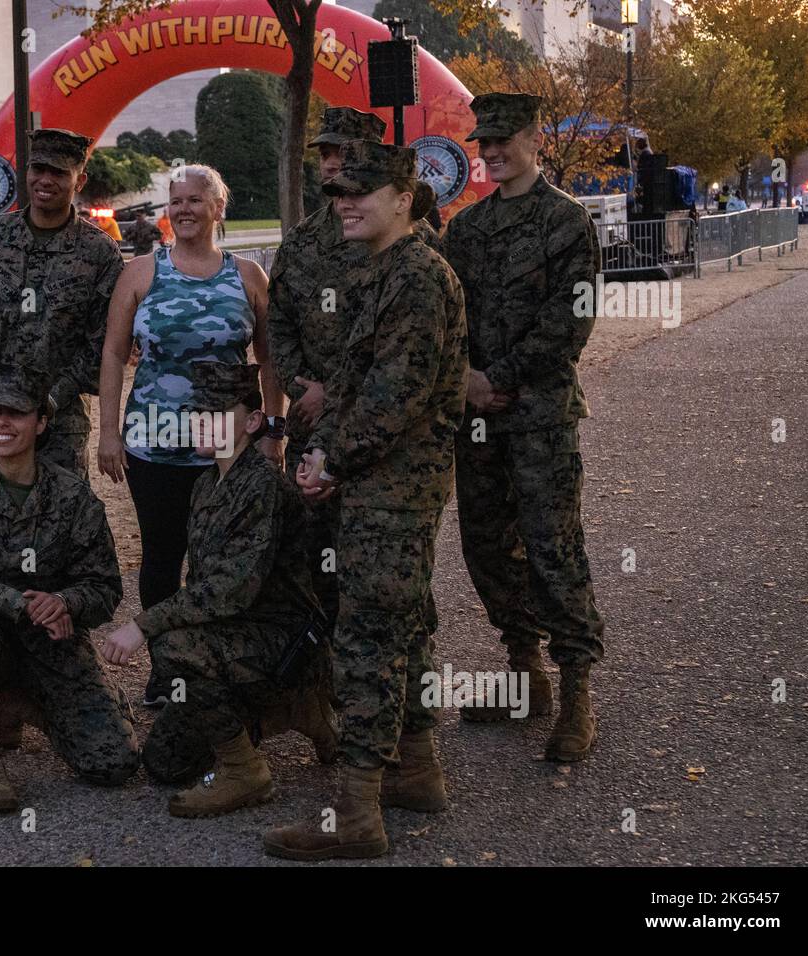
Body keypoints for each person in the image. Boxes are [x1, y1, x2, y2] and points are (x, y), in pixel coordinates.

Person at [263, 141, 468, 861]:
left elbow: (394, 397)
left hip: (393, 492)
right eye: (340, 191)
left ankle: (356, 813)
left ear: (405, 199)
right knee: (404, 632)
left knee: (368, 644)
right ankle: (417, 771)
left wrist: (331, 460)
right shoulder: (391, 270)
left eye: (363, 192)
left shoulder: (415, 276)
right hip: (381, 485)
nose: (345, 203)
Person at [441, 92, 605, 762]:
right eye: (485, 141)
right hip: (476, 417)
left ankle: (577, 694)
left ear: (534, 138)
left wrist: (498, 377)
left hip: (538, 417)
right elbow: (447, 318)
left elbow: (573, 321)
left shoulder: (567, 224)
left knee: (552, 548)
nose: (492, 151)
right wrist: (467, 380)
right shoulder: (466, 230)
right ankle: (524, 671)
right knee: (485, 547)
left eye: (504, 139)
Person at [101, 361, 336, 816]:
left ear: (251, 422)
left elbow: (230, 590)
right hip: (236, 639)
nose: (202, 423)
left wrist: (143, 625)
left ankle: (245, 770)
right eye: (196, 414)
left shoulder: (262, 485)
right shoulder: (207, 484)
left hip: (283, 640)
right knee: (165, 762)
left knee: (173, 646)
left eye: (216, 413)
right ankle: (296, 713)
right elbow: (205, 587)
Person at [97, 164, 284, 708]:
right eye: (175, 201)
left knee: (218, 560)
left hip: (225, 449)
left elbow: (269, 359)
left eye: (195, 200)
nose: (183, 210)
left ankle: (215, 666)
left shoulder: (248, 277)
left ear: (217, 208)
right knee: (161, 556)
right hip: (155, 441)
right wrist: (109, 432)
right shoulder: (141, 272)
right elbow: (112, 352)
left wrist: (274, 428)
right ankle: (167, 669)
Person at [0, 365, 139, 812]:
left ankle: (25, 701)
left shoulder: (72, 497)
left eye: (16, 414)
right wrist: (17, 604)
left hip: (52, 639)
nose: (2, 423)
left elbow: (104, 586)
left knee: (113, 763)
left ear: (41, 422)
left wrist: (64, 602)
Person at [266, 106, 386, 629]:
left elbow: (406, 348)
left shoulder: (401, 239)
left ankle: (403, 697)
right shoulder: (300, 241)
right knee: (315, 557)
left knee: (384, 571)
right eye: (326, 153)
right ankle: (326, 684)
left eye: (344, 152)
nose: (332, 164)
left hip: (377, 430)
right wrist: (301, 387)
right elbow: (278, 326)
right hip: (311, 428)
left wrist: (330, 393)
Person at [0, 128, 124, 478]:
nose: (45, 180)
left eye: (58, 172)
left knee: (60, 524)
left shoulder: (99, 253)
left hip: (59, 423)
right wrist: (4, 398)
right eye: (38, 169)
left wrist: (50, 401)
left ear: (79, 180)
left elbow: (101, 346)